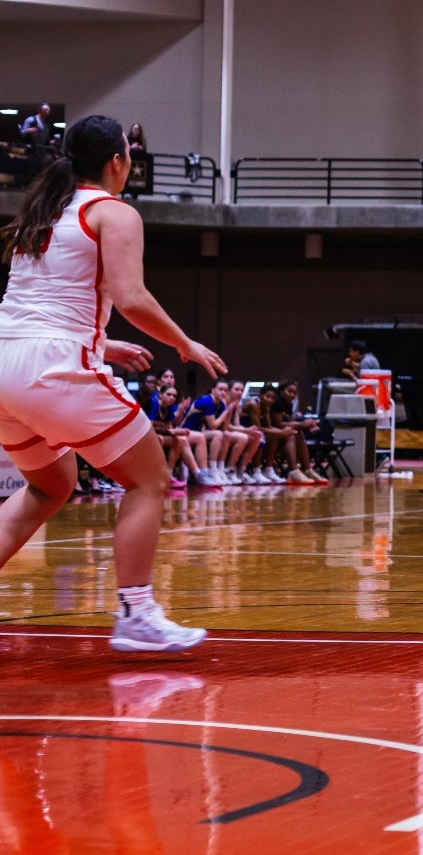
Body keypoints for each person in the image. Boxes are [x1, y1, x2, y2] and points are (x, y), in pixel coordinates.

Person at [0, 114, 226, 653]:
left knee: (49, 486)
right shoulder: (114, 212)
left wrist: (102, 344)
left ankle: (137, 612)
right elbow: (131, 299)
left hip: (5, 364)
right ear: (117, 161)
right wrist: (184, 344)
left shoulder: (45, 211)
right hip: (53, 366)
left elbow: (41, 312)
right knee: (149, 479)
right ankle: (137, 613)